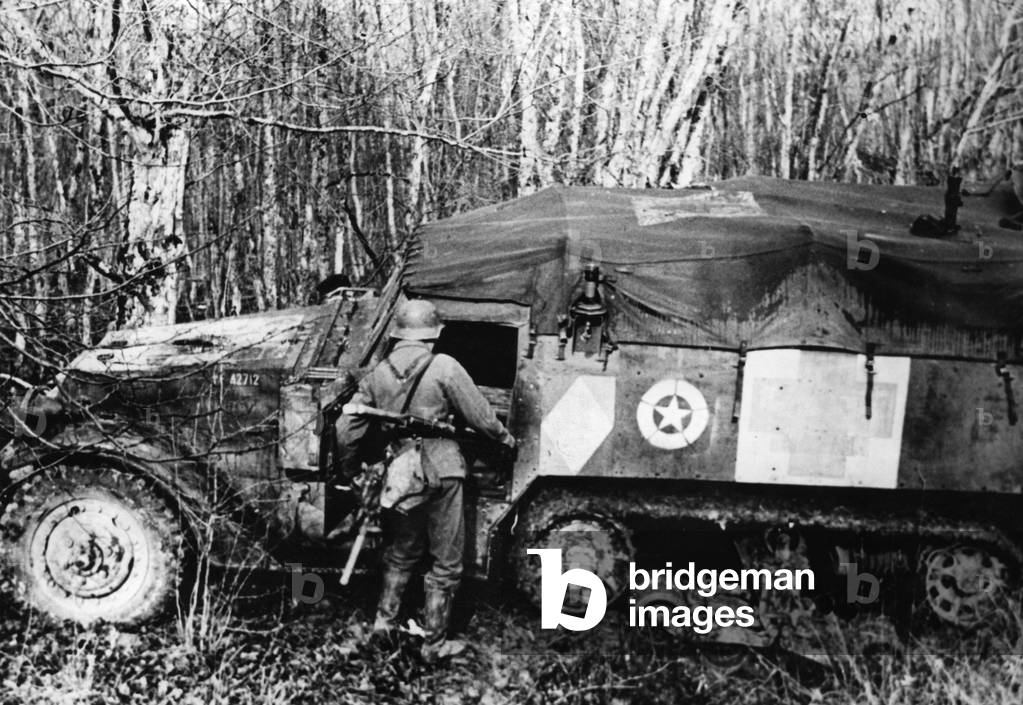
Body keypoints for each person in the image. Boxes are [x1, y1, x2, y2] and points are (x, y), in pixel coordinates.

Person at [335, 299, 515, 662]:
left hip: (402, 474)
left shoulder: (378, 373)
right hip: (444, 470)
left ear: (399, 333)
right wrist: (504, 439)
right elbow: (481, 416)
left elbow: (345, 428)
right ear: (434, 334)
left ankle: (383, 626)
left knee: (401, 551)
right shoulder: (444, 366)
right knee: (446, 560)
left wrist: (353, 471)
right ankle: (434, 644)